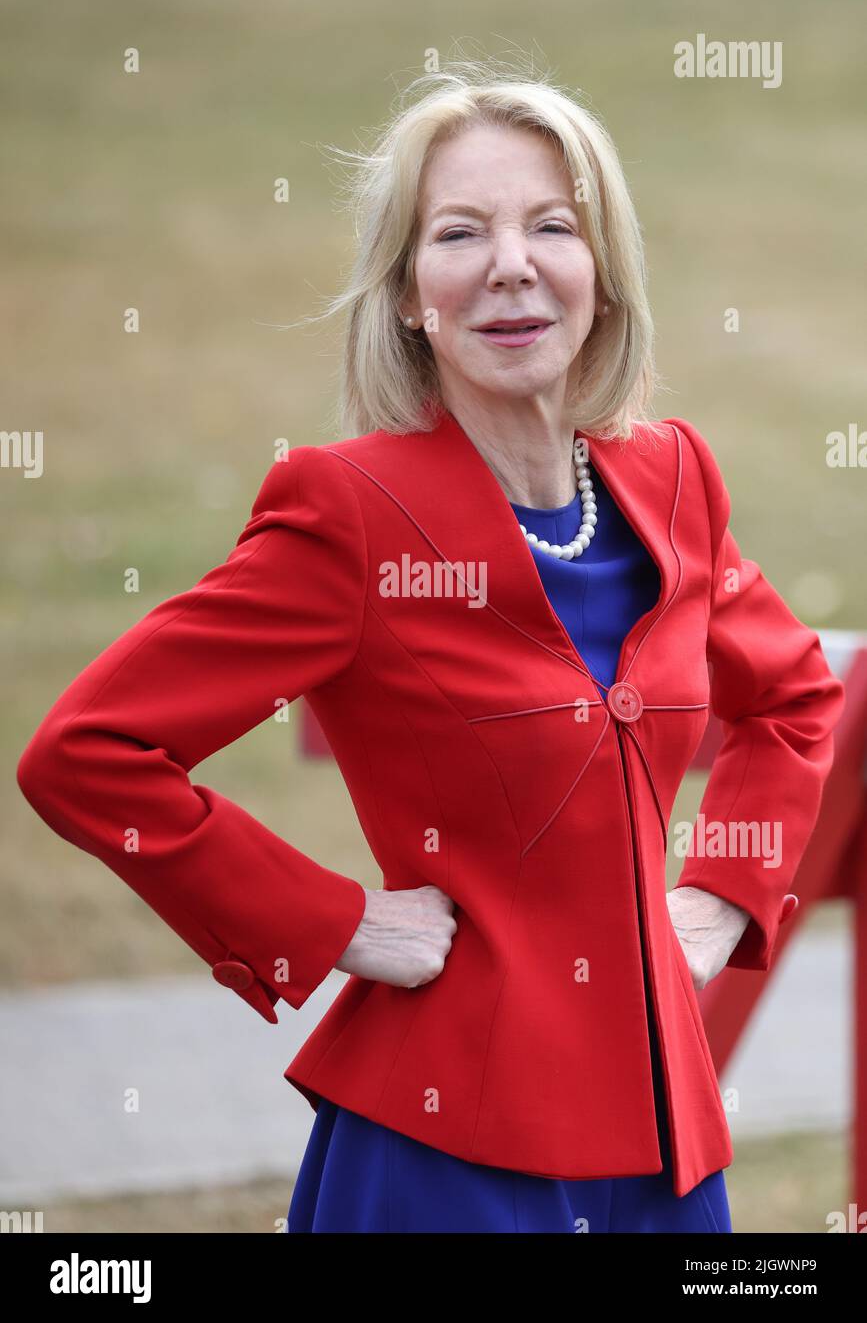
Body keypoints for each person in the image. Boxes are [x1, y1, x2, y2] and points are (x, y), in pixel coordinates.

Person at [17, 64, 844, 1234]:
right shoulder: (347, 512)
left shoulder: (671, 478)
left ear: (601, 272)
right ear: (411, 295)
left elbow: (798, 700)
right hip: (447, 1159)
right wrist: (336, 921)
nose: (512, 263)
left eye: (552, 226)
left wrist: (719, 898)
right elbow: (88, 753)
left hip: (668, 1157)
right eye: (460, 233)